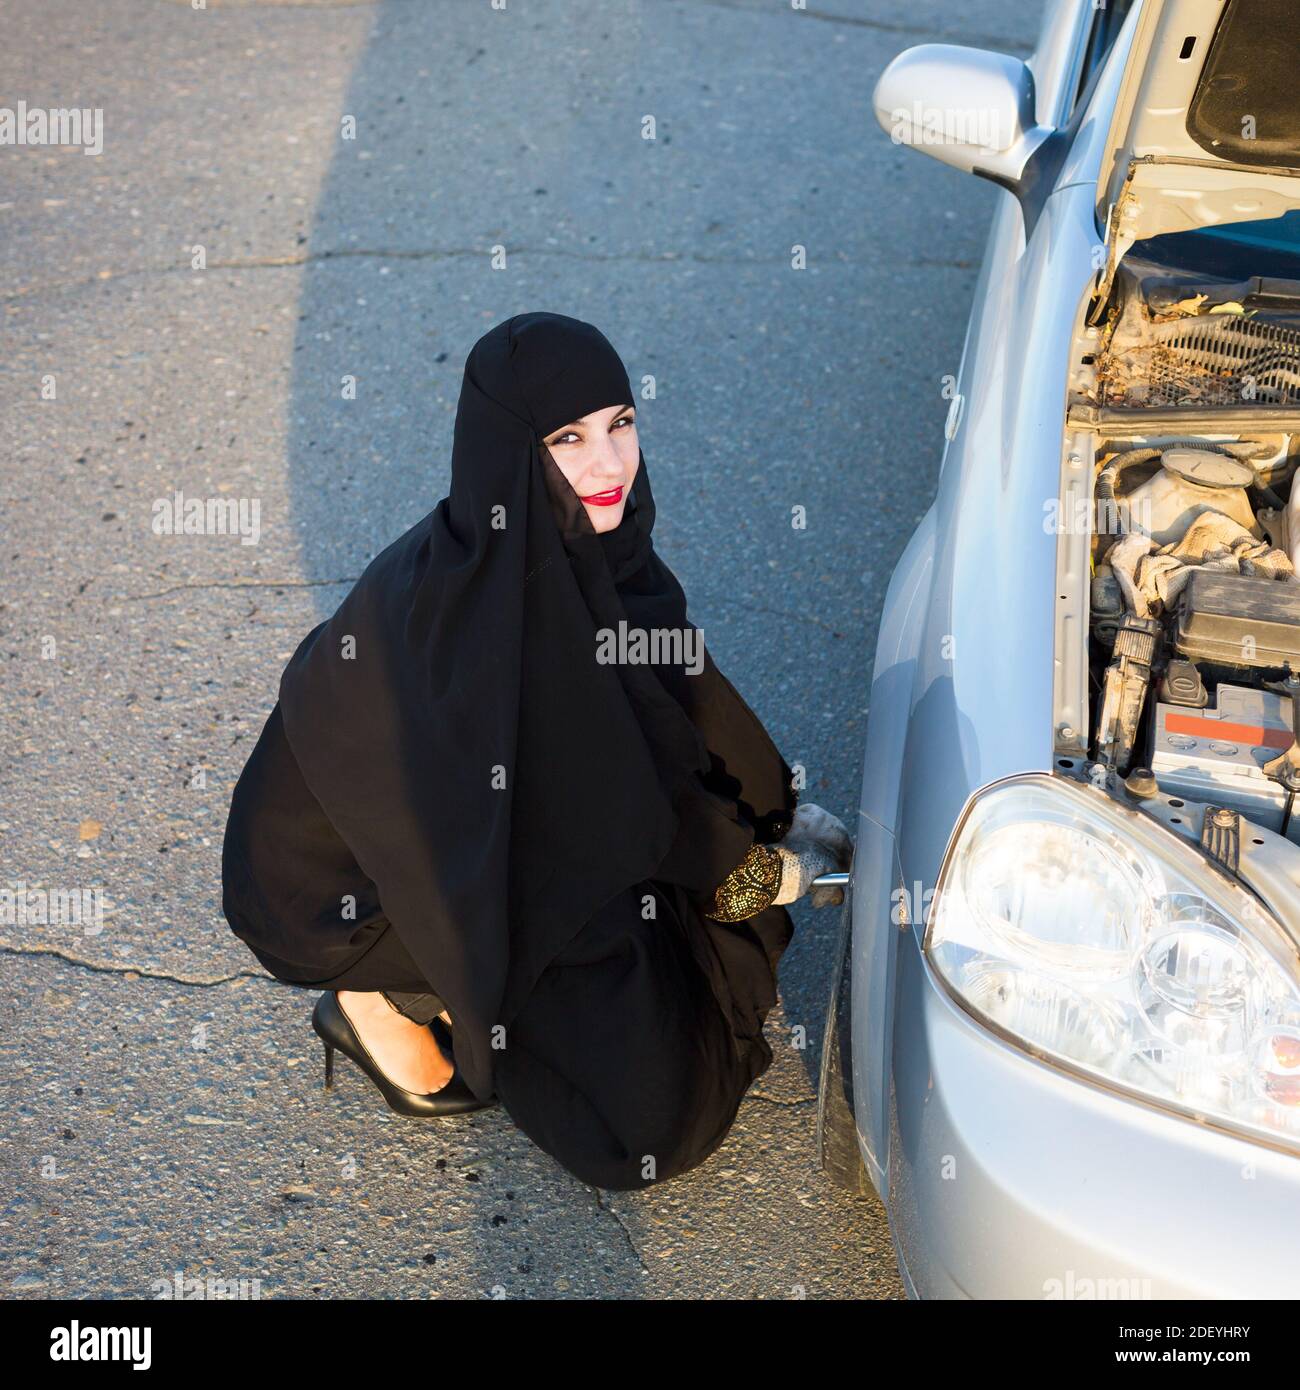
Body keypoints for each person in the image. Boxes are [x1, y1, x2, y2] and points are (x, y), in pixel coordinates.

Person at [221, 311, 851, 1190]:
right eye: (567, 439)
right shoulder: (494, 615)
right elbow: (604, 807)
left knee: (652, 921)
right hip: (338, 903)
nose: (610, 464)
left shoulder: (557, 541)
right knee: (649, 1117)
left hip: (484, 824)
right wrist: (757, 868)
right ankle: (381, 998)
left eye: (620, 424)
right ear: (511, 451)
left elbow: (670, 698)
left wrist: (768, 809)